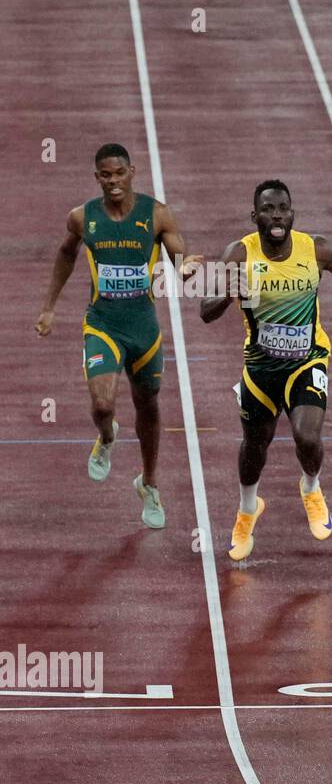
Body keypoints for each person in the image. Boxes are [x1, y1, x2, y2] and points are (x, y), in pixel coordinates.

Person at [200, 179, 332, 560]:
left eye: (283, 208)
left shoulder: (314, 248)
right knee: (255, 446)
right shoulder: (239, 254)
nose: (276, 216)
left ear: (292, 213)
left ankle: (311, 487)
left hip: (308, 360)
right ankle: (248, 509)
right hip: (260, 369)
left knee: (306, 436)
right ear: (255, 216)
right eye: (268, 209)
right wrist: (230, 290)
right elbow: (206, 310)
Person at [36, 142, 201, 528]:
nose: (113, 181)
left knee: (148, 407)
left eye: (119, 173)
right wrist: (49, 306)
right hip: (103, 324)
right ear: (97, 177)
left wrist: (187, 267)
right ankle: (107, 437)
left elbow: (180, 258)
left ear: (132, 172)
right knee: (103, 405)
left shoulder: (156, 214)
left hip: (144, 329)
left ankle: (149, 484)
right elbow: (65, 254)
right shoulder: (82, 218)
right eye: (105, 175)